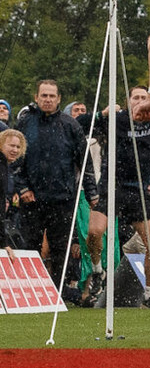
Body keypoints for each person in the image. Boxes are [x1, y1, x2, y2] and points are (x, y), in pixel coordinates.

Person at [93, 86, 150, 308]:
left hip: (138, 190)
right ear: (128, 102)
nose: (139, 101)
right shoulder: (118, 119)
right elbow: (82, 124)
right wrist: (102, 114)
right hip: (112, 187)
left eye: (144, 98)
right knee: (94, 232)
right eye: (135, 97)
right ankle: (97, 270)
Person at [12, 80, 89, 277]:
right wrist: (22, 188)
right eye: (44, 95)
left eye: (52, 96)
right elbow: (14, 160)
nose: (48, 100)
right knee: (29, 247)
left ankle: (59, 290)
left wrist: (92, 192)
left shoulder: (70, 125)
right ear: (36, 97)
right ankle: (29, 285)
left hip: (62, 199)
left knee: (60, 250)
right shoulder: (25, 123)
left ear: (59, 99)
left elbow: (84, 161)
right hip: (32, 199)